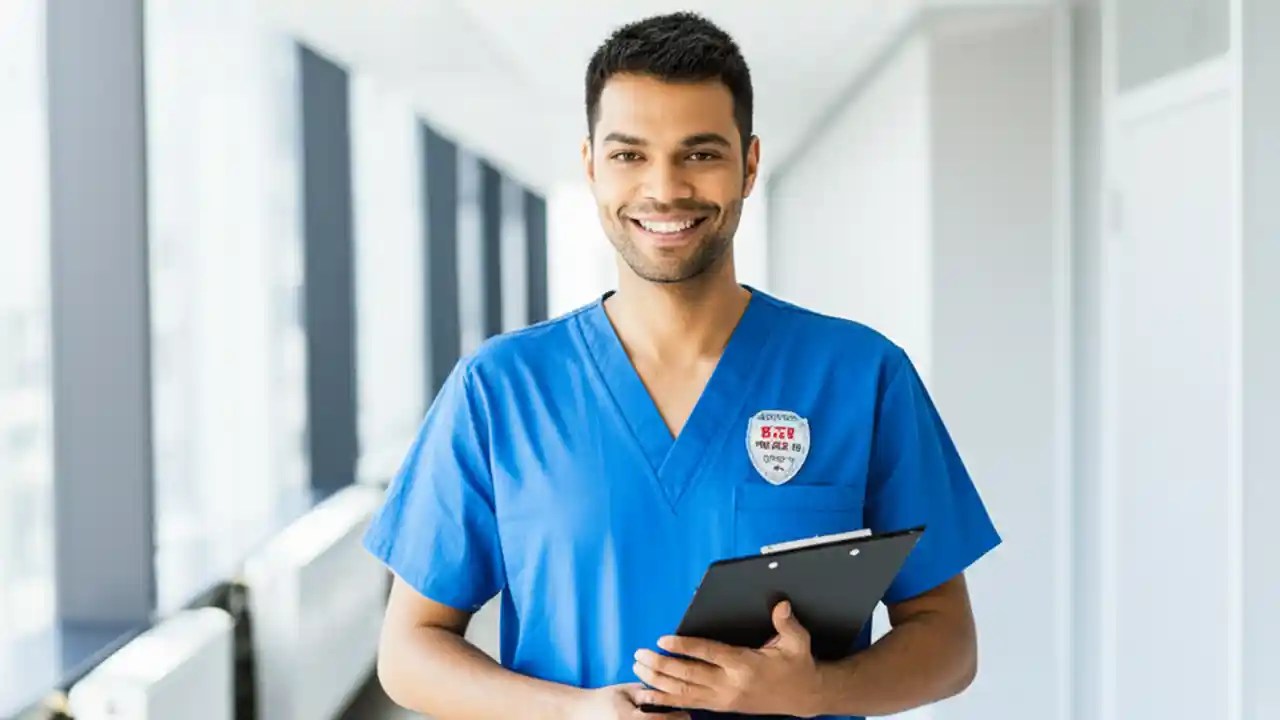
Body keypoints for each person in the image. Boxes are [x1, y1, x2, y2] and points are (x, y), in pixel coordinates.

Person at [364, 11, 1000, 720]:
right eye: (630, 155)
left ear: (749, 165)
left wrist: (817, 690)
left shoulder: (861, 377)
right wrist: (572, 713)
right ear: (591, 165)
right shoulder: (501, 391)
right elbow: (409, 650)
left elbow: (948, 640)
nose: (664, 189)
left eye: (699, 154)